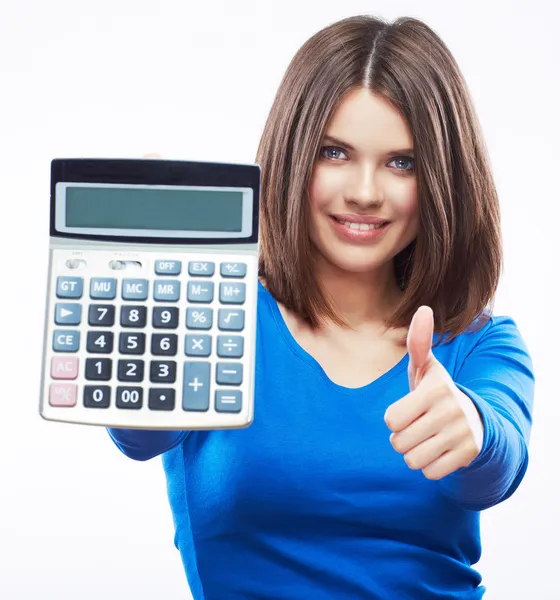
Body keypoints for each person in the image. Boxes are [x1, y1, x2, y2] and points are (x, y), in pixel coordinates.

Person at [108, 14, 534, 600]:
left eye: (401, 162)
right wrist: (154, 310)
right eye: (335, 153)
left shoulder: (480, 342)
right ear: (292, 155)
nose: (364, 190)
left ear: (442, 179)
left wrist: (475, 430)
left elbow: (499, 466)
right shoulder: (218, 315)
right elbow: (139, 434)